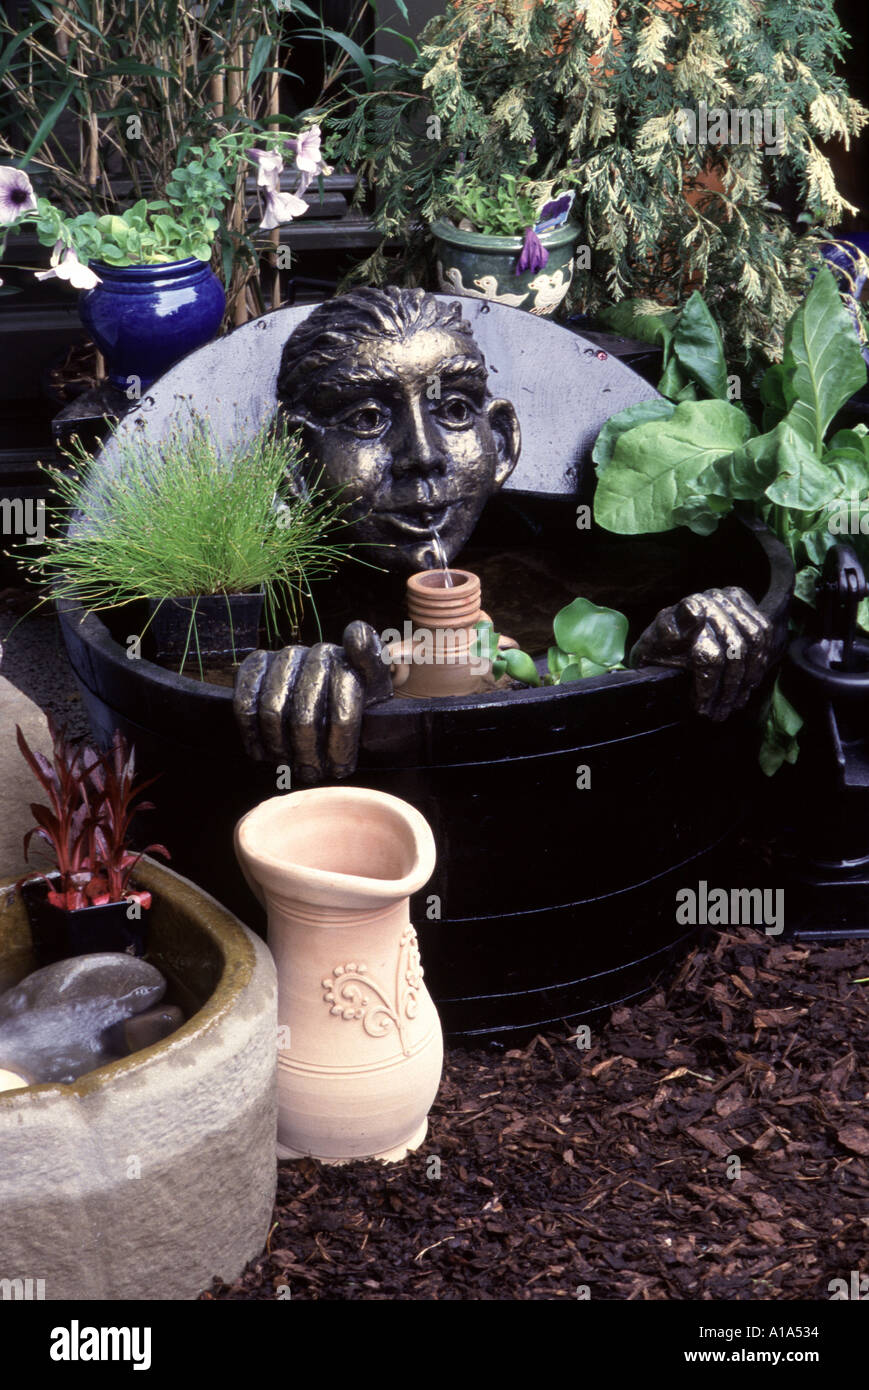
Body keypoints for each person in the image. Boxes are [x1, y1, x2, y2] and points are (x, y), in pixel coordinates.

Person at [234, 286, 772, 782]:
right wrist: (300, 674)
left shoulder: (556, 575)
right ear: (297, 460)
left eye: (454, 410)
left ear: (502, 443)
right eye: (368, 418)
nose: (422, 455)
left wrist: (656, 658)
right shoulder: (272, 596)